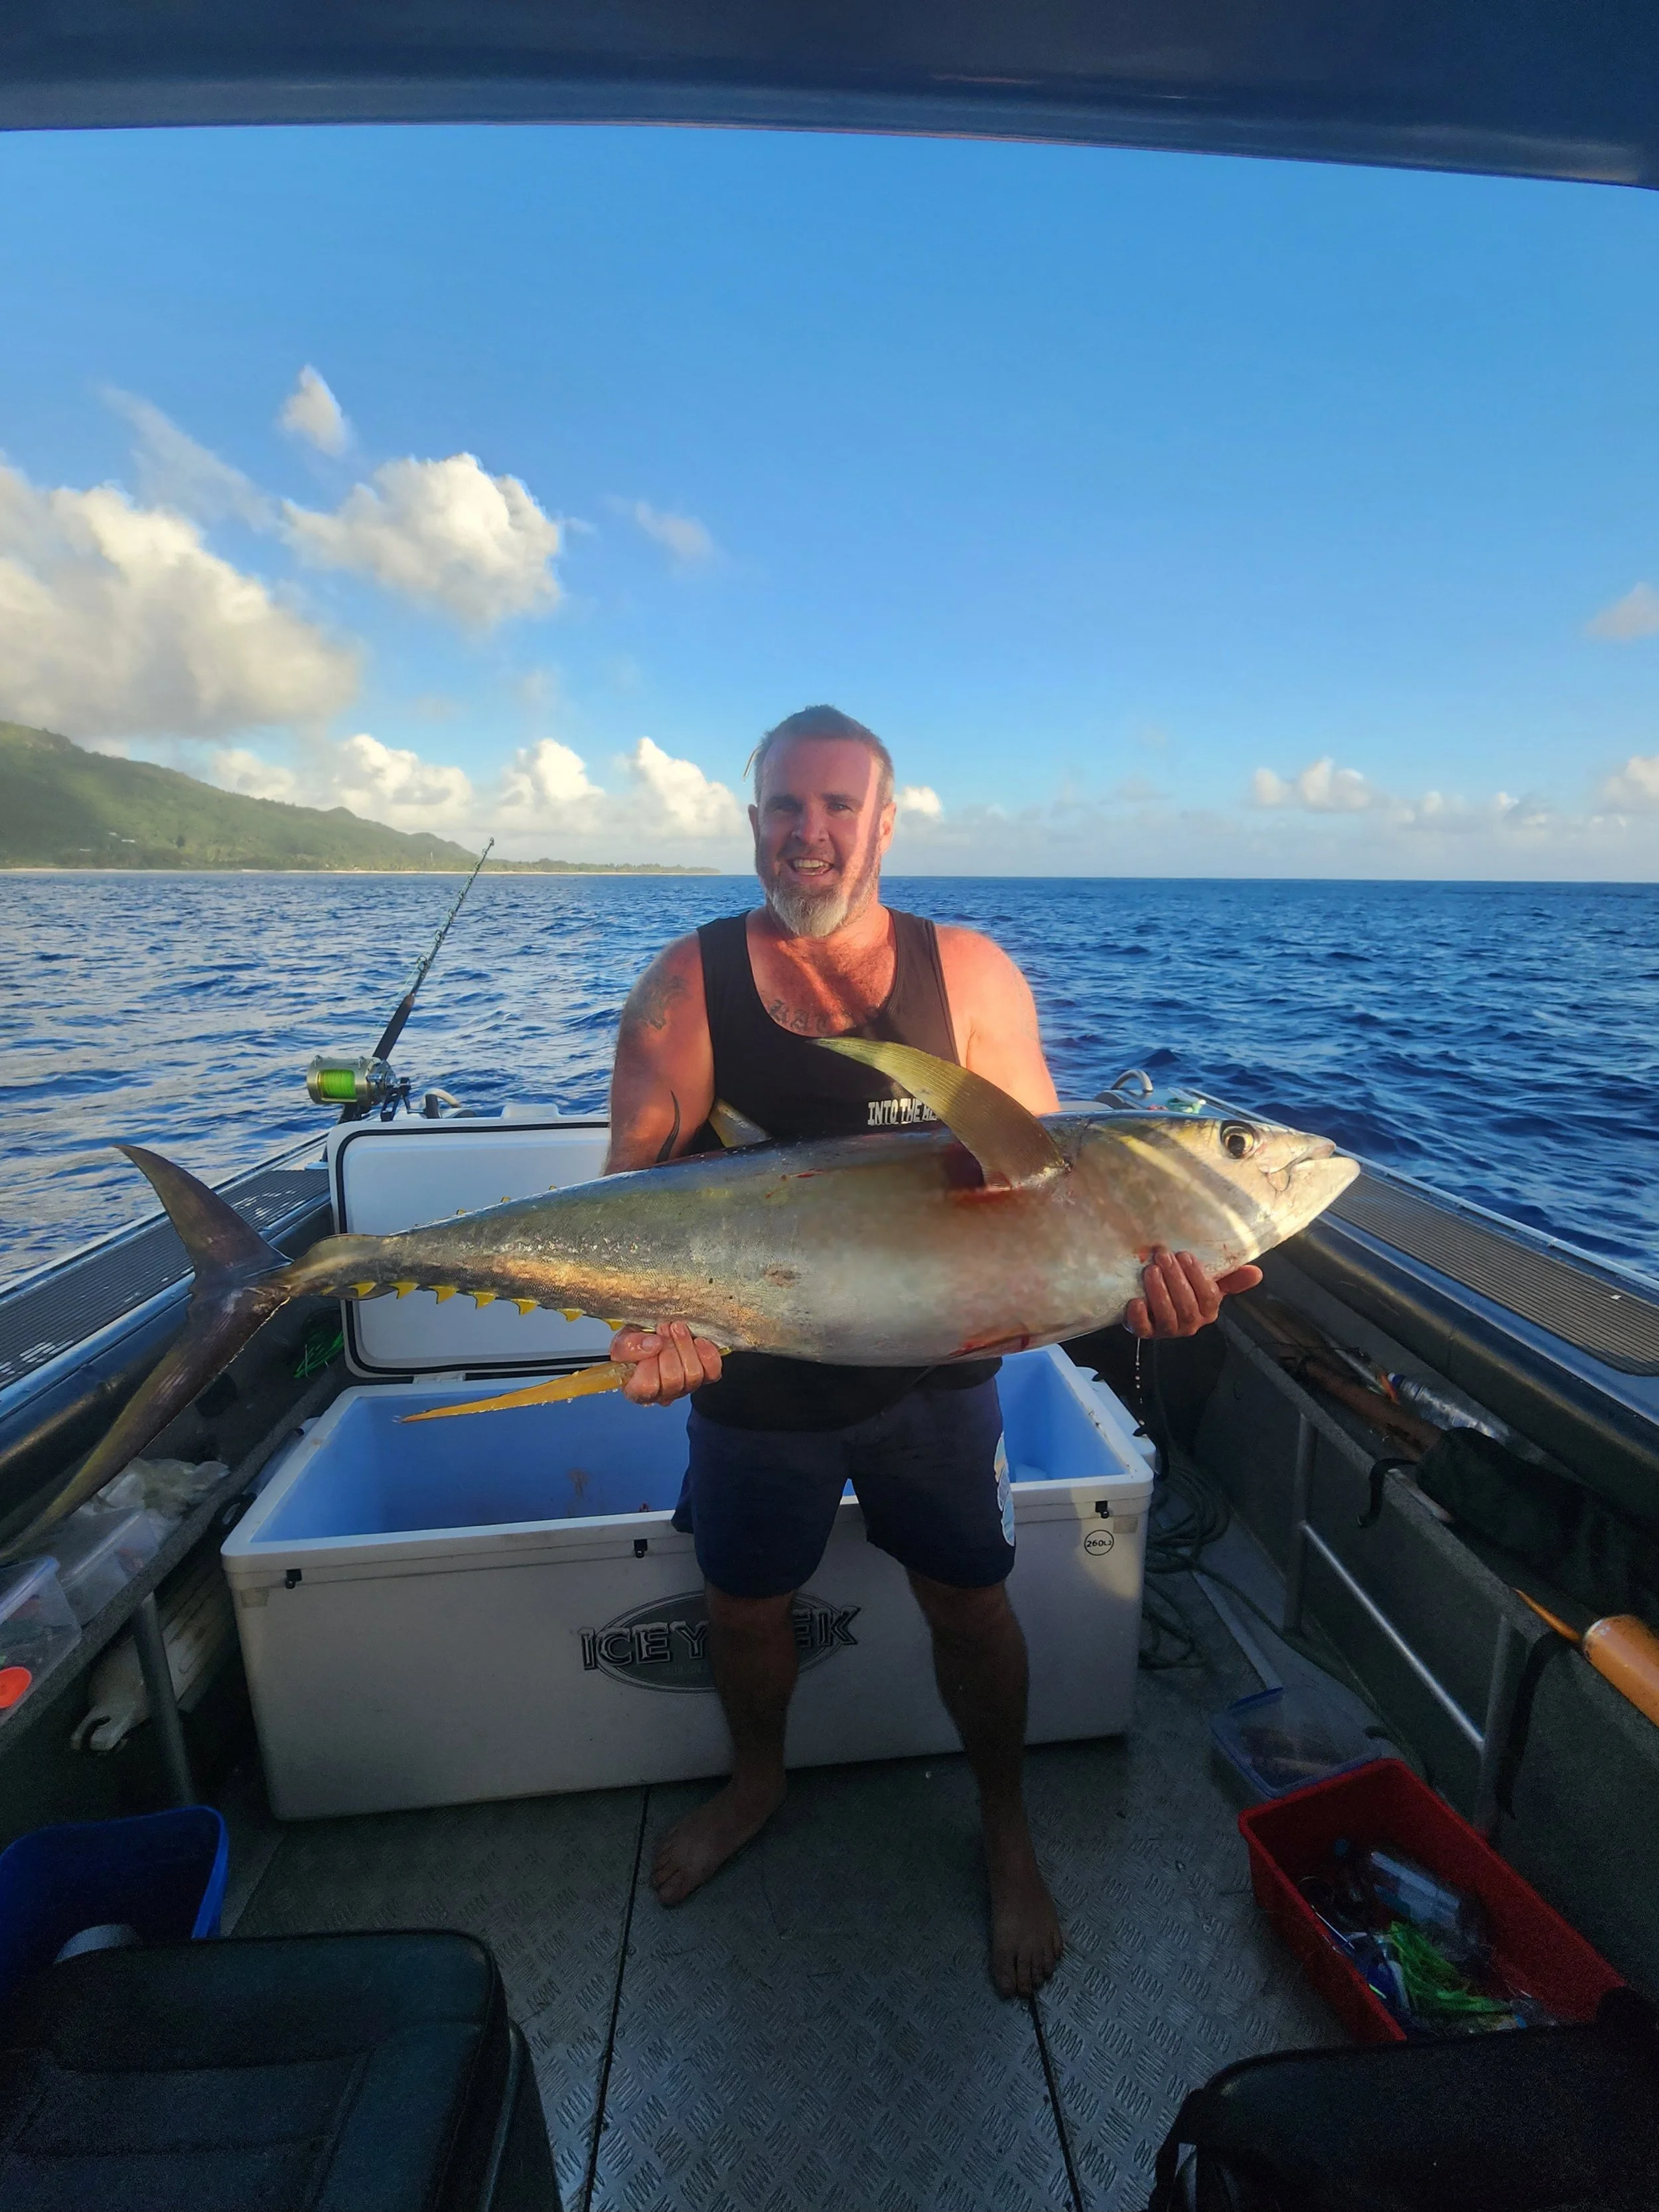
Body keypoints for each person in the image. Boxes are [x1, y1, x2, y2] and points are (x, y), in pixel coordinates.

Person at [603, 705, 1261, 1998]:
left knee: (969, 1600)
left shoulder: (967, 977)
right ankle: (754, 1781)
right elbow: (627, 1195)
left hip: (937, 1380)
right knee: (741, 1604)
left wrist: (1134, 1284)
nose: (810, 834)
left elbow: (1046, 1192)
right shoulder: (684, 988)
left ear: (884, 823)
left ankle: (1004, 1824)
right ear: (752, 825)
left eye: (838, 807)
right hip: (754, 1379)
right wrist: (645, 1330)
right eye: (785, 808)